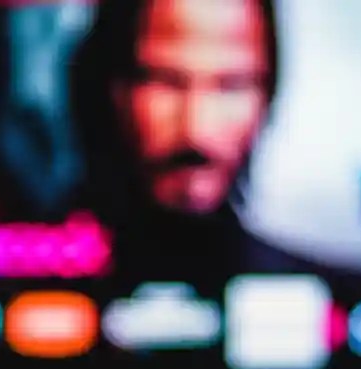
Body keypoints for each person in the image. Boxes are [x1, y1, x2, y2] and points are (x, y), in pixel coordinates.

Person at [71, 0, 341, 289]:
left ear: (269, 93)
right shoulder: (34, 260)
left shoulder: (311, 290)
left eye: (232, 85)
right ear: (113, 88)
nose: (196, 130)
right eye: (165, 81)